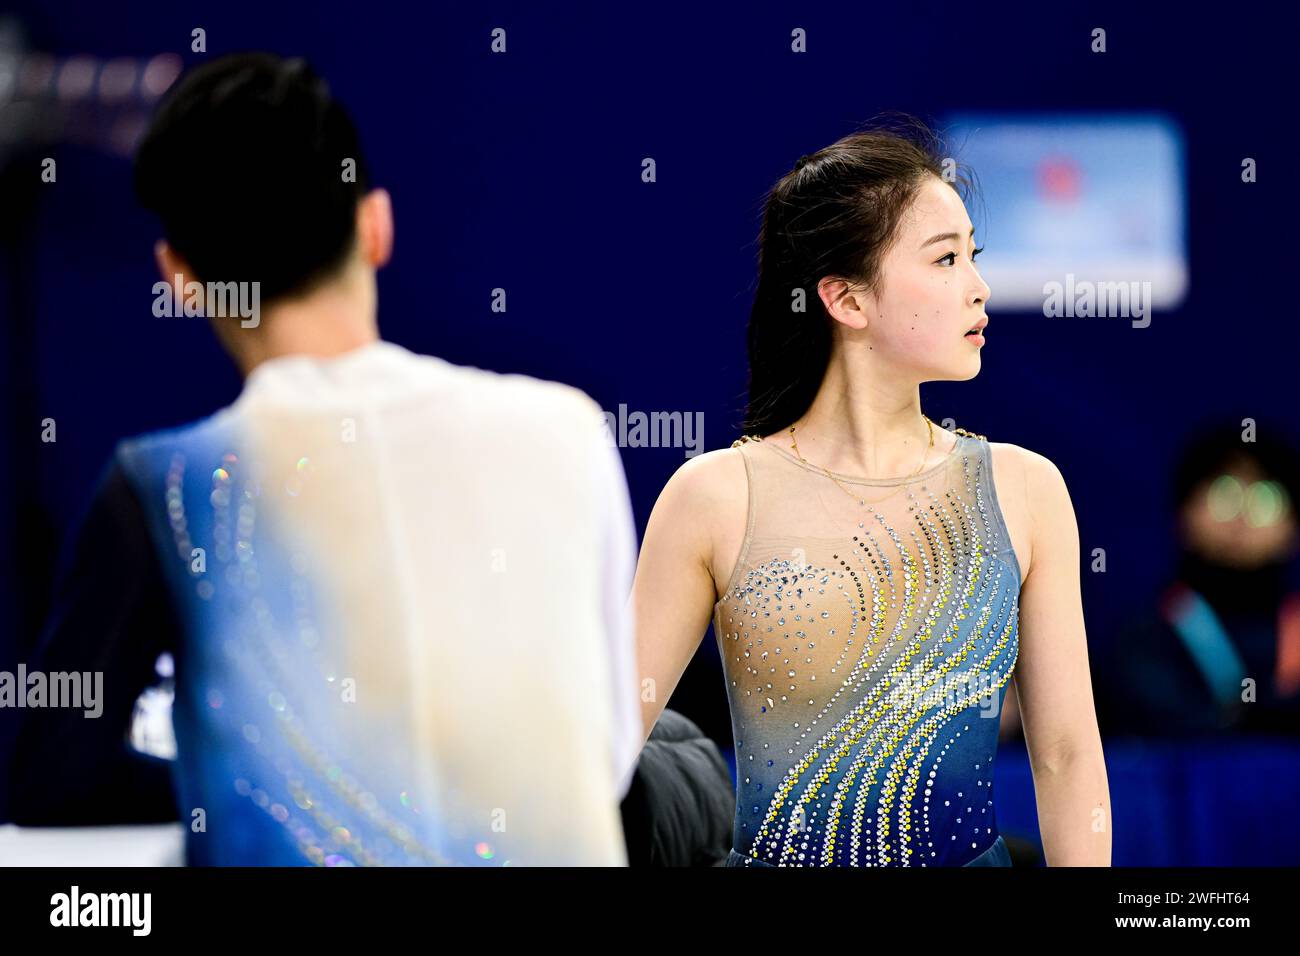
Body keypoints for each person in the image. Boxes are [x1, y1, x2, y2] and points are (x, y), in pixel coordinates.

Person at [9, 52, 642, 866]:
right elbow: (603, 757)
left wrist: (241, 766)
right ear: (376, 226)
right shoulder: (566, 428)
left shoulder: (169, 485)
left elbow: (55, 780)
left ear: (181, 279)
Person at [631, 119, 1111, 866]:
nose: (979, 287)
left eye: (974, 256)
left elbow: (1067, 754)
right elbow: (605, 739)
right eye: (946, 259)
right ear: (847, 300)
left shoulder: (1025, 488)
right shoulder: (716, 496)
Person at [1099, 423, 1300, 737]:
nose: (1242, 517)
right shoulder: (1144, 640)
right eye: (1224, 494)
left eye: (1266, 499)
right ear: (1185, 514)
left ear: (1292, 528)